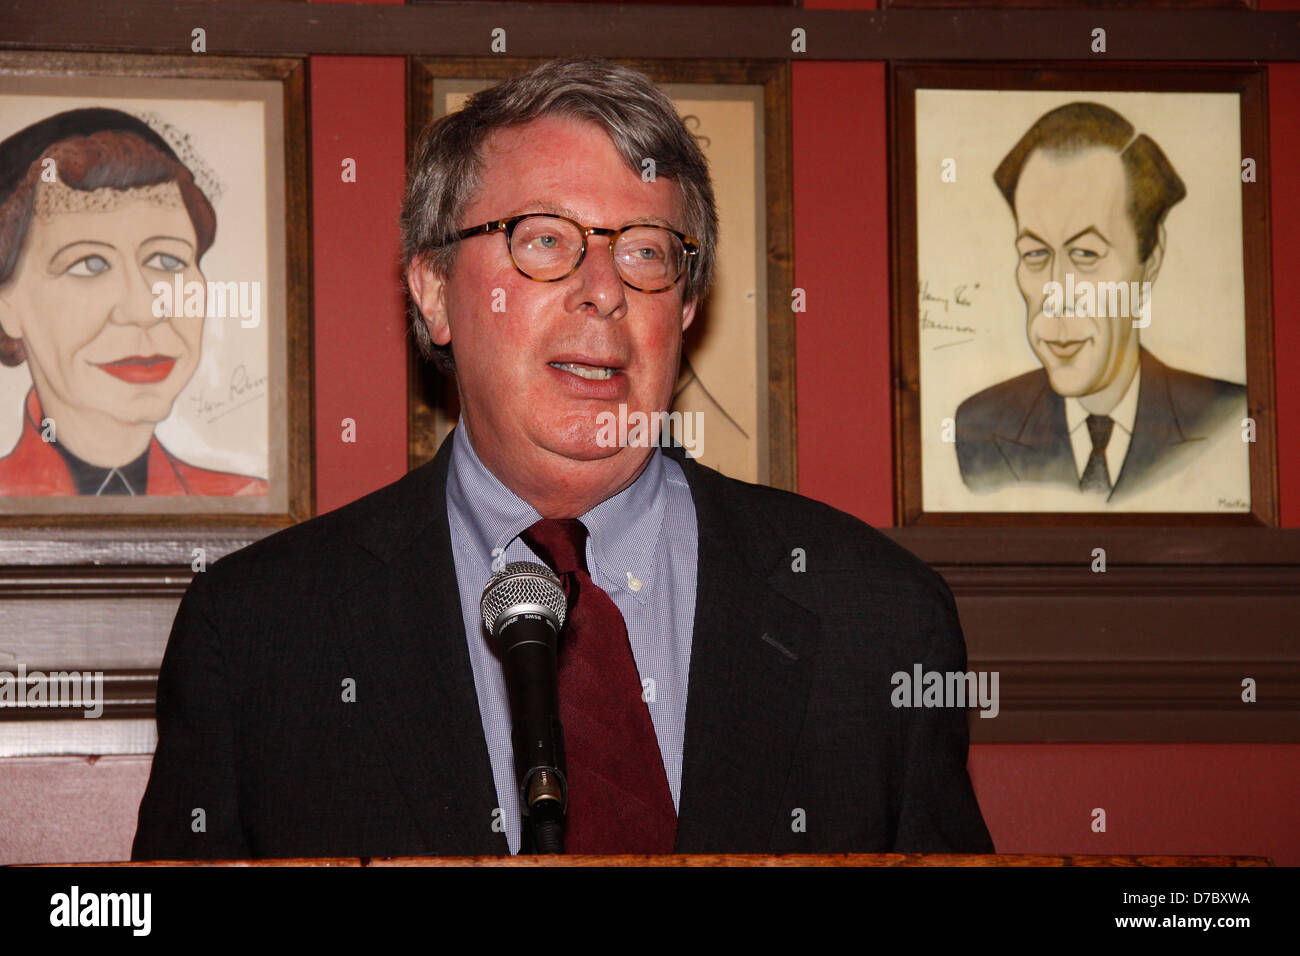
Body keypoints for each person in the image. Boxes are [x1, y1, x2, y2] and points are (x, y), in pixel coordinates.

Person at [133, 58, 992, 859]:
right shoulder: (257, 638)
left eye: (646, 250)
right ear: (434, 290)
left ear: (686, 309)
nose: (605, 288)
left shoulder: (877, 619)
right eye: (545, 241)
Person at [955, 102, 1246, 502]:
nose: (1056, 296)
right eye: (1035, 254)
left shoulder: (1227, 420)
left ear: (1151, 259)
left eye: (1086, 255)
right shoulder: (981, 428)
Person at [0, 108, 266, 496]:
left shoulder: (248, 500)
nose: (144, 310)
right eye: (89, 265)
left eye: (167, 261)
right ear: (7, 307)